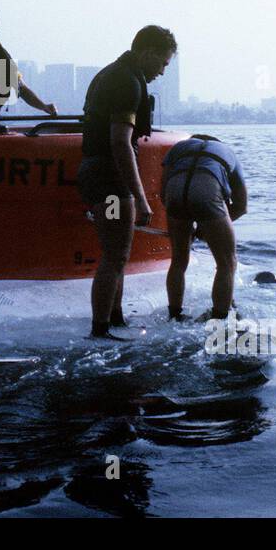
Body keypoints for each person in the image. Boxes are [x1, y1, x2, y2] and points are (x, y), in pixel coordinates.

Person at [76, 25, 176, 339]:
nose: (162, 71)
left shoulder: (109, 74)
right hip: (109, 179)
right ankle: (100, 329)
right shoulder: (128, 83)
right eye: (162, 63)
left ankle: (114, 319)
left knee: (117, 252)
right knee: (114, 255)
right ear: (147, 53)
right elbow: (121, 143)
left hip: (95, 172)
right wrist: (141, 197)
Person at [161, 134, 247, 321]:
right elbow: (241, 205)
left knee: (178, 260)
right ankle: (220, 318)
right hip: (206, 187)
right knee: (227, 262)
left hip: (174, 190)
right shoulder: (227, 152)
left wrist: (188, 225)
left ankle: (174, 315)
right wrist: (206, 227)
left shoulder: (178, 148)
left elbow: (163, 192)